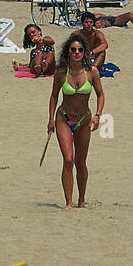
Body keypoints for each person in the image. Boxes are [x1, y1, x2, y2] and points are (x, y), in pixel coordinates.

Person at [47, 32, 104, 210]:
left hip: (84, 119)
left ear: (84, 52)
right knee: (68, 160)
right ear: (68, 52)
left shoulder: (91, 72)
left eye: (80, 50)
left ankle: (82, 200)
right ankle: (69, 202)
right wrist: (50, 119)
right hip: (64, 117)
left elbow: (100, 94)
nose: (77, 53)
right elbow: (54, 96)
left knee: (81, 162)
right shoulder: (61, 73)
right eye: (73, 50)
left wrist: (97, 115)